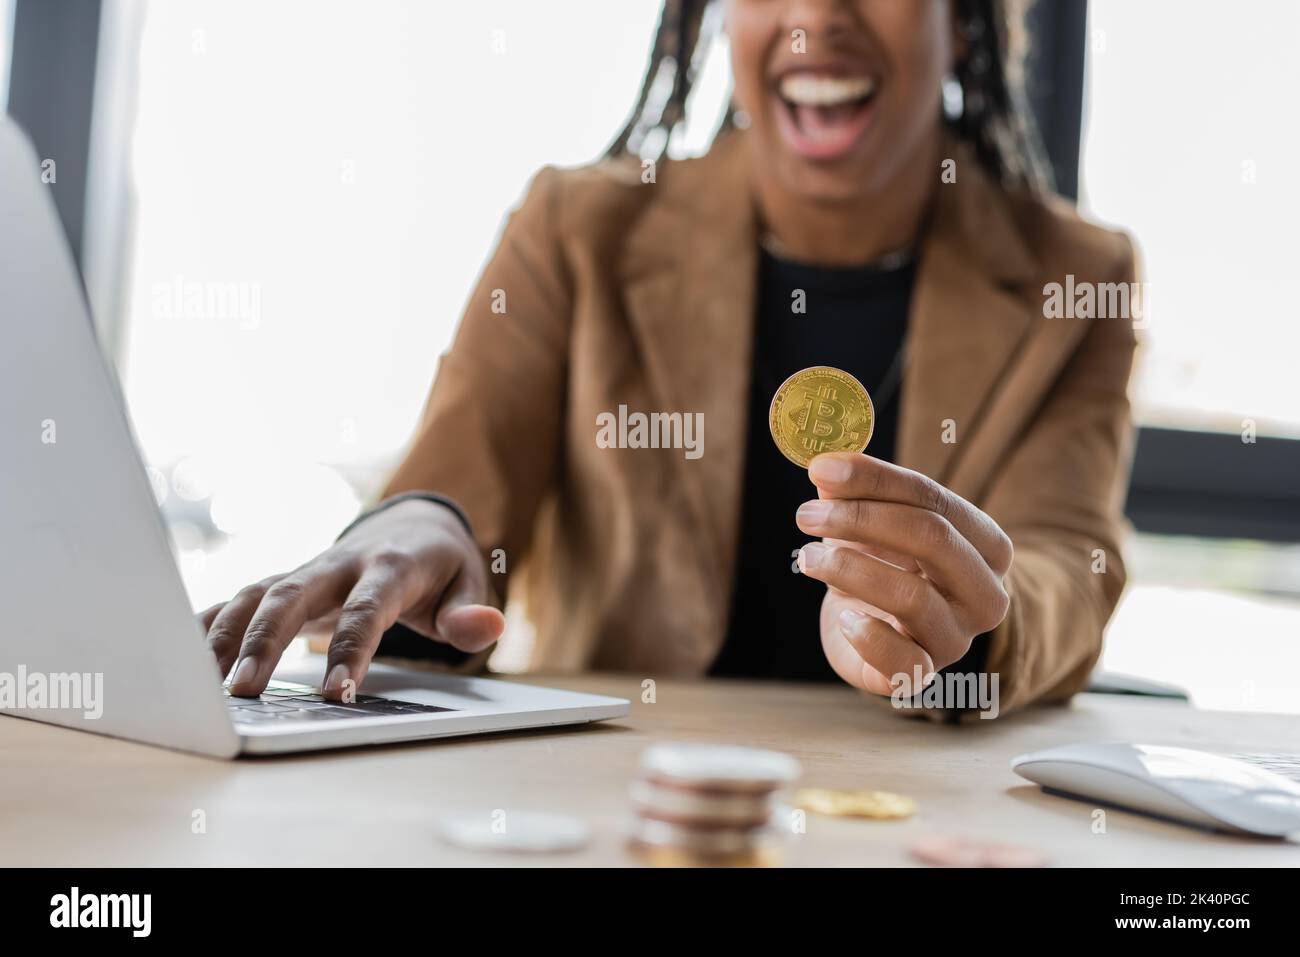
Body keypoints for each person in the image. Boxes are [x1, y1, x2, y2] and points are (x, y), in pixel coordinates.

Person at [202, 0, 1138, 719]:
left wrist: (972, 633)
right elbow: (461, 478)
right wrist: (420, 527)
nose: (817, 19)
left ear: (963, 24)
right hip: (616, 793)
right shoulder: (577, 228)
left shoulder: (1076, 275)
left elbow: (1068, 562)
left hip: (904, 800)